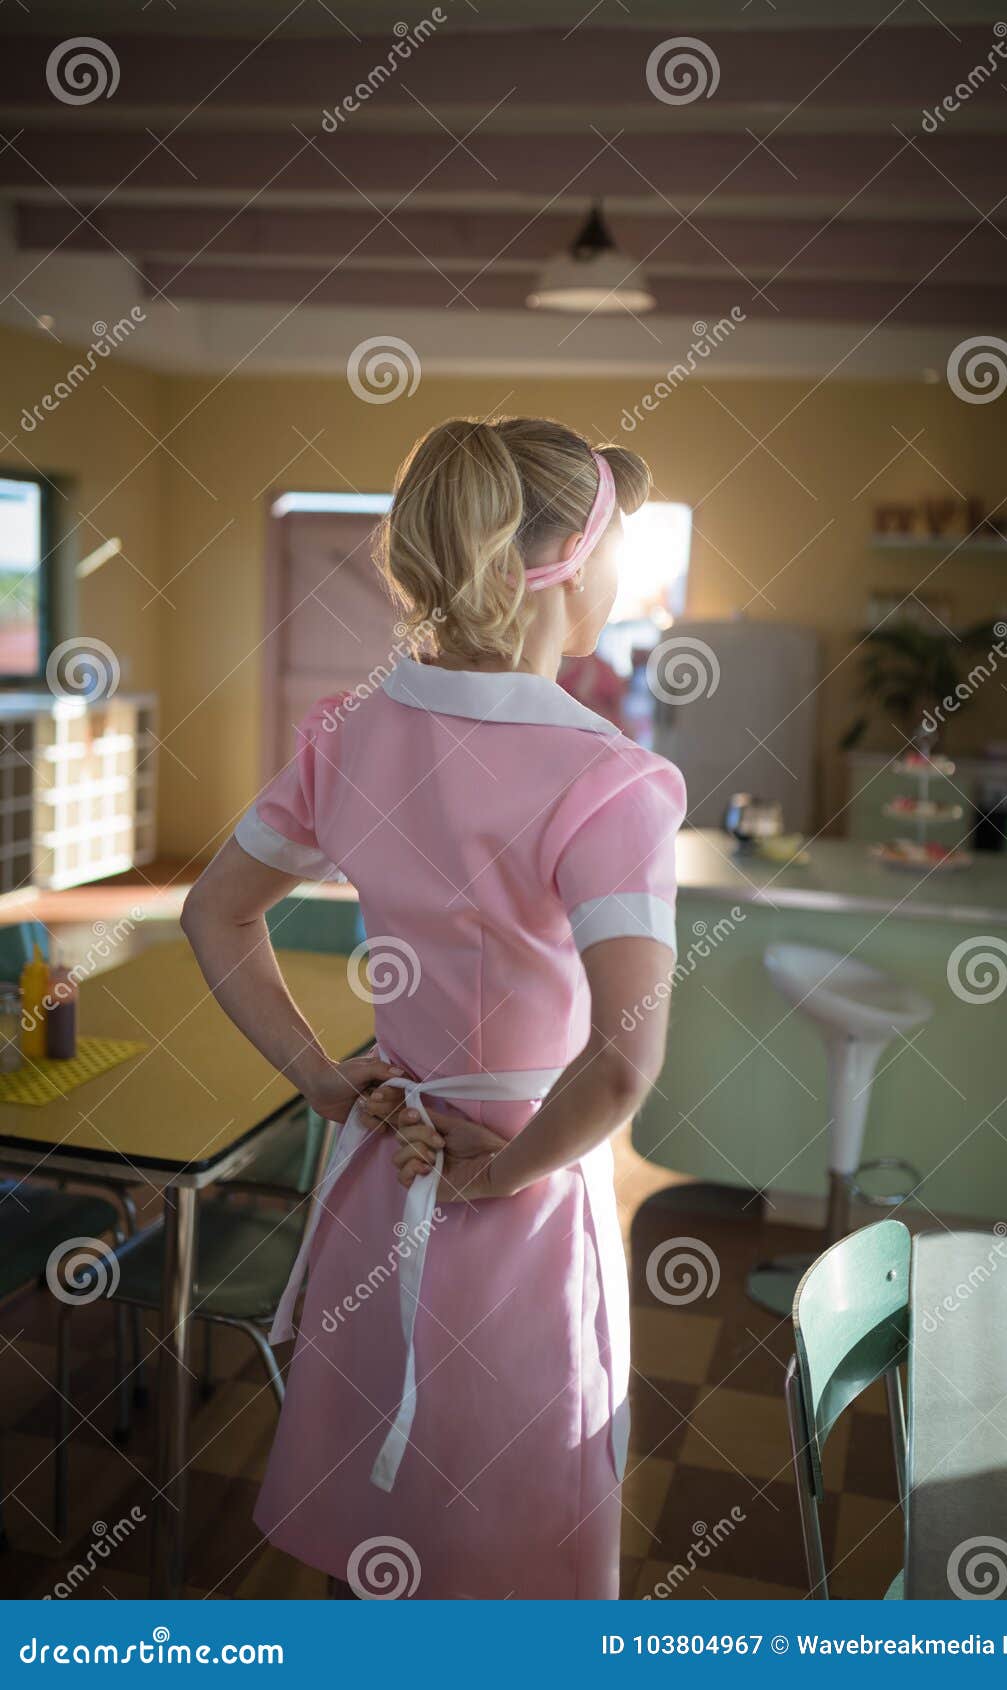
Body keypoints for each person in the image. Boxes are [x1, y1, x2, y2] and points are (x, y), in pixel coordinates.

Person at [181, 416, 686, 1600]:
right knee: (512, 1560)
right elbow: (621, 1065)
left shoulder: (349, 731)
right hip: (515, 1196)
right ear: (569, 563)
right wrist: (502, 1175)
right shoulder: (608, 779)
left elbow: (215, 912)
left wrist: (317, 1075)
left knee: (376, 1540)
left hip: (381, 1172)